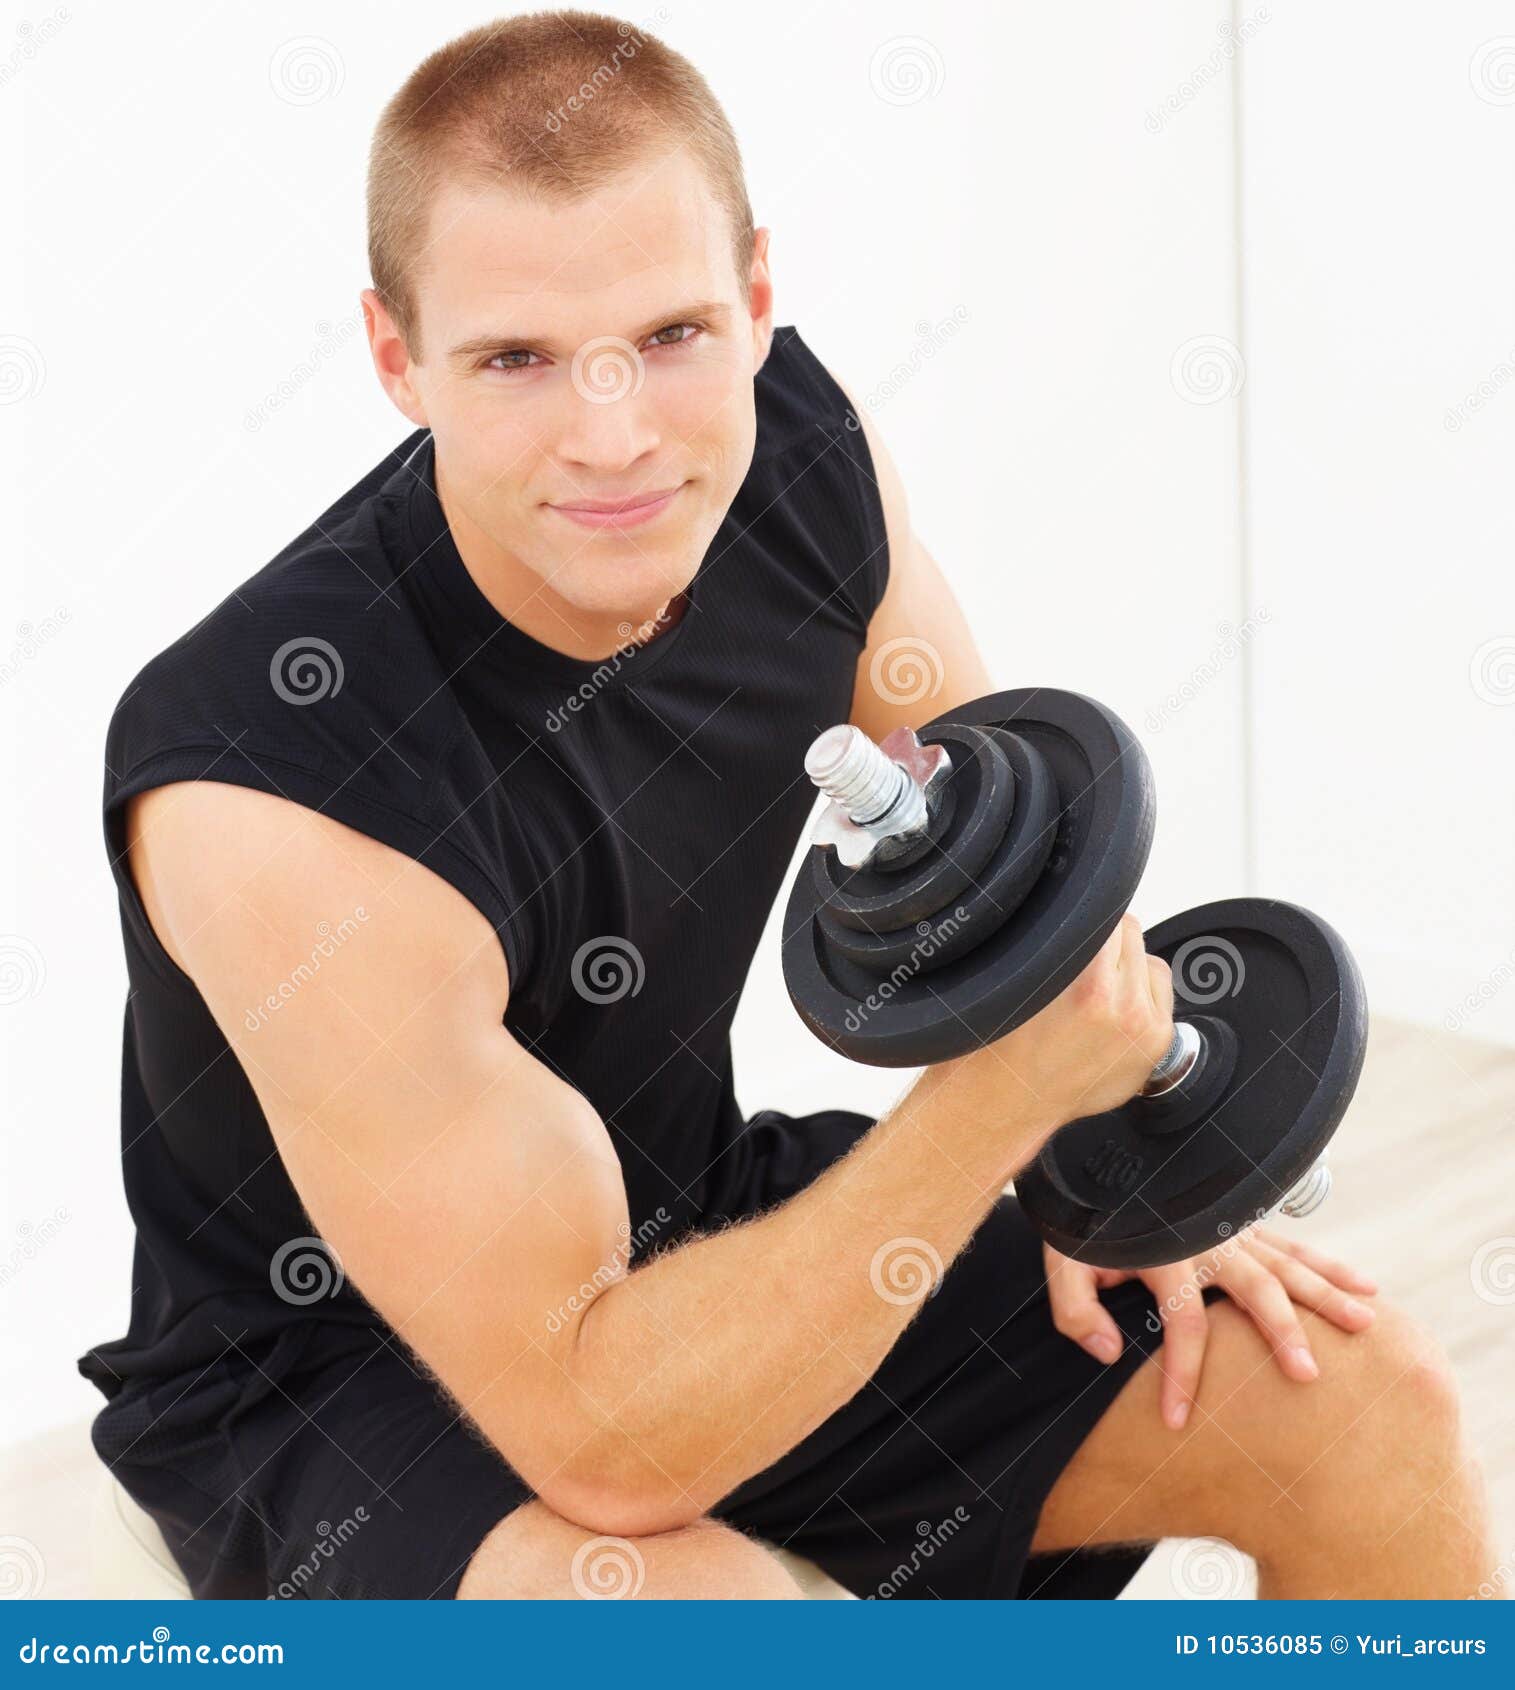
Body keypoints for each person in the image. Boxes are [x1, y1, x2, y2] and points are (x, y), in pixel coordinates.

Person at [80, 11, 1494, 1601]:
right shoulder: (271, 781)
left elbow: (1015, 887)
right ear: (395, 356)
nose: (616, 434)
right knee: (698, 1615)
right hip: (325, 1382)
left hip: (680, 1220)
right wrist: (992, 1116)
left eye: (673, 333)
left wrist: (1113, 1153)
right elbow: (598, 1431)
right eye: (517, 358)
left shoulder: (800, 469)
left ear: (758, 297)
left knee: (1352, 1399)